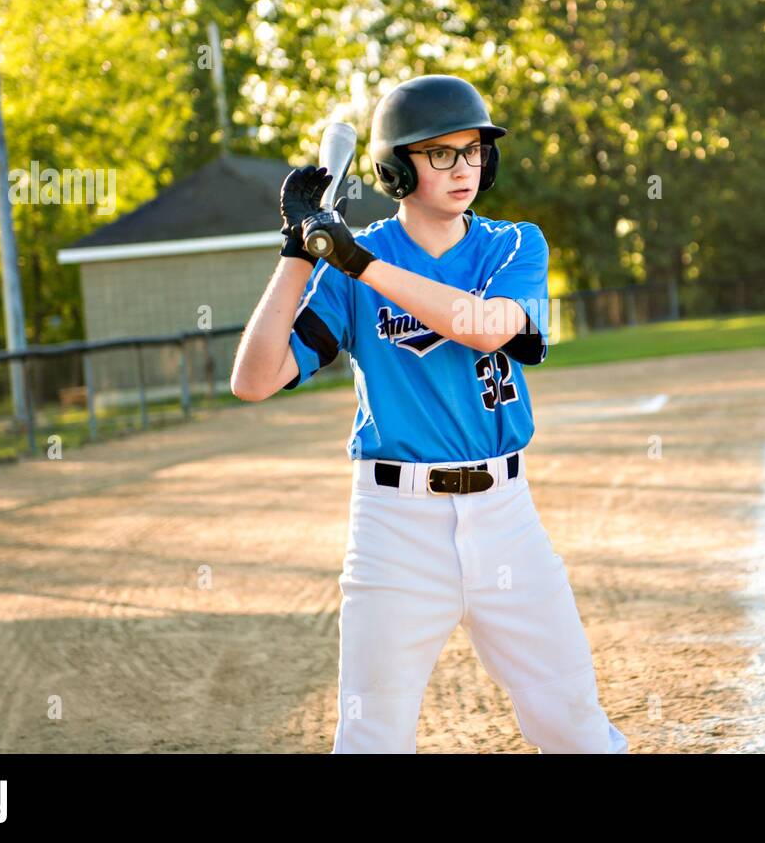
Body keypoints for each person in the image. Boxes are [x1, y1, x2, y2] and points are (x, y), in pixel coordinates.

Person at [231, 74, 628, 754]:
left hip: (506, 520)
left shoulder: (512, 245)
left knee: (574, 725)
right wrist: (301, 252)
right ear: (395, 169)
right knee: (370, 739)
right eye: (440, 154)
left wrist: (355, 260)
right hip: (394, 529)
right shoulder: (348, 270)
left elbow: (481, 325)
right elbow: (253, 380)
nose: (464, 168)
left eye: (473, 151)